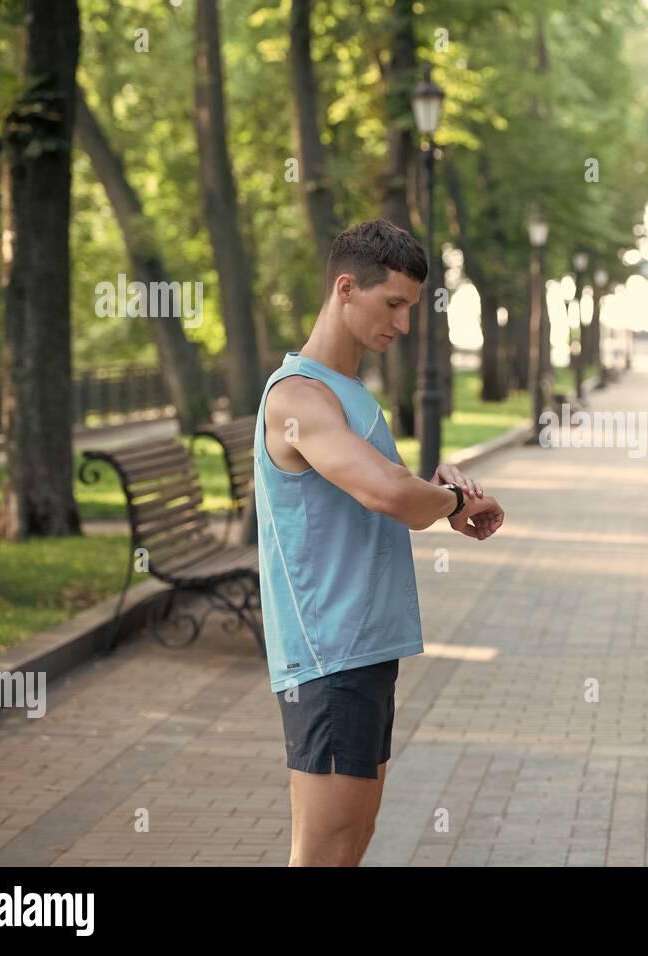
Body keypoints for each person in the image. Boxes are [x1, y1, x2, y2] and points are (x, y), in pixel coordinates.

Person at [253, 218, 505, 866]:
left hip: (363, 652)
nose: (403, 322)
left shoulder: (346, 393)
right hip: (329, 653)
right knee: (325, 849)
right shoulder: (299, 397)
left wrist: (436, 486)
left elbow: (390, 489)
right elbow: (387, 495)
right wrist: (448, 502)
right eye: (392, 303)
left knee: (351, 841)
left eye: (411, 307)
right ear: (345, 288)